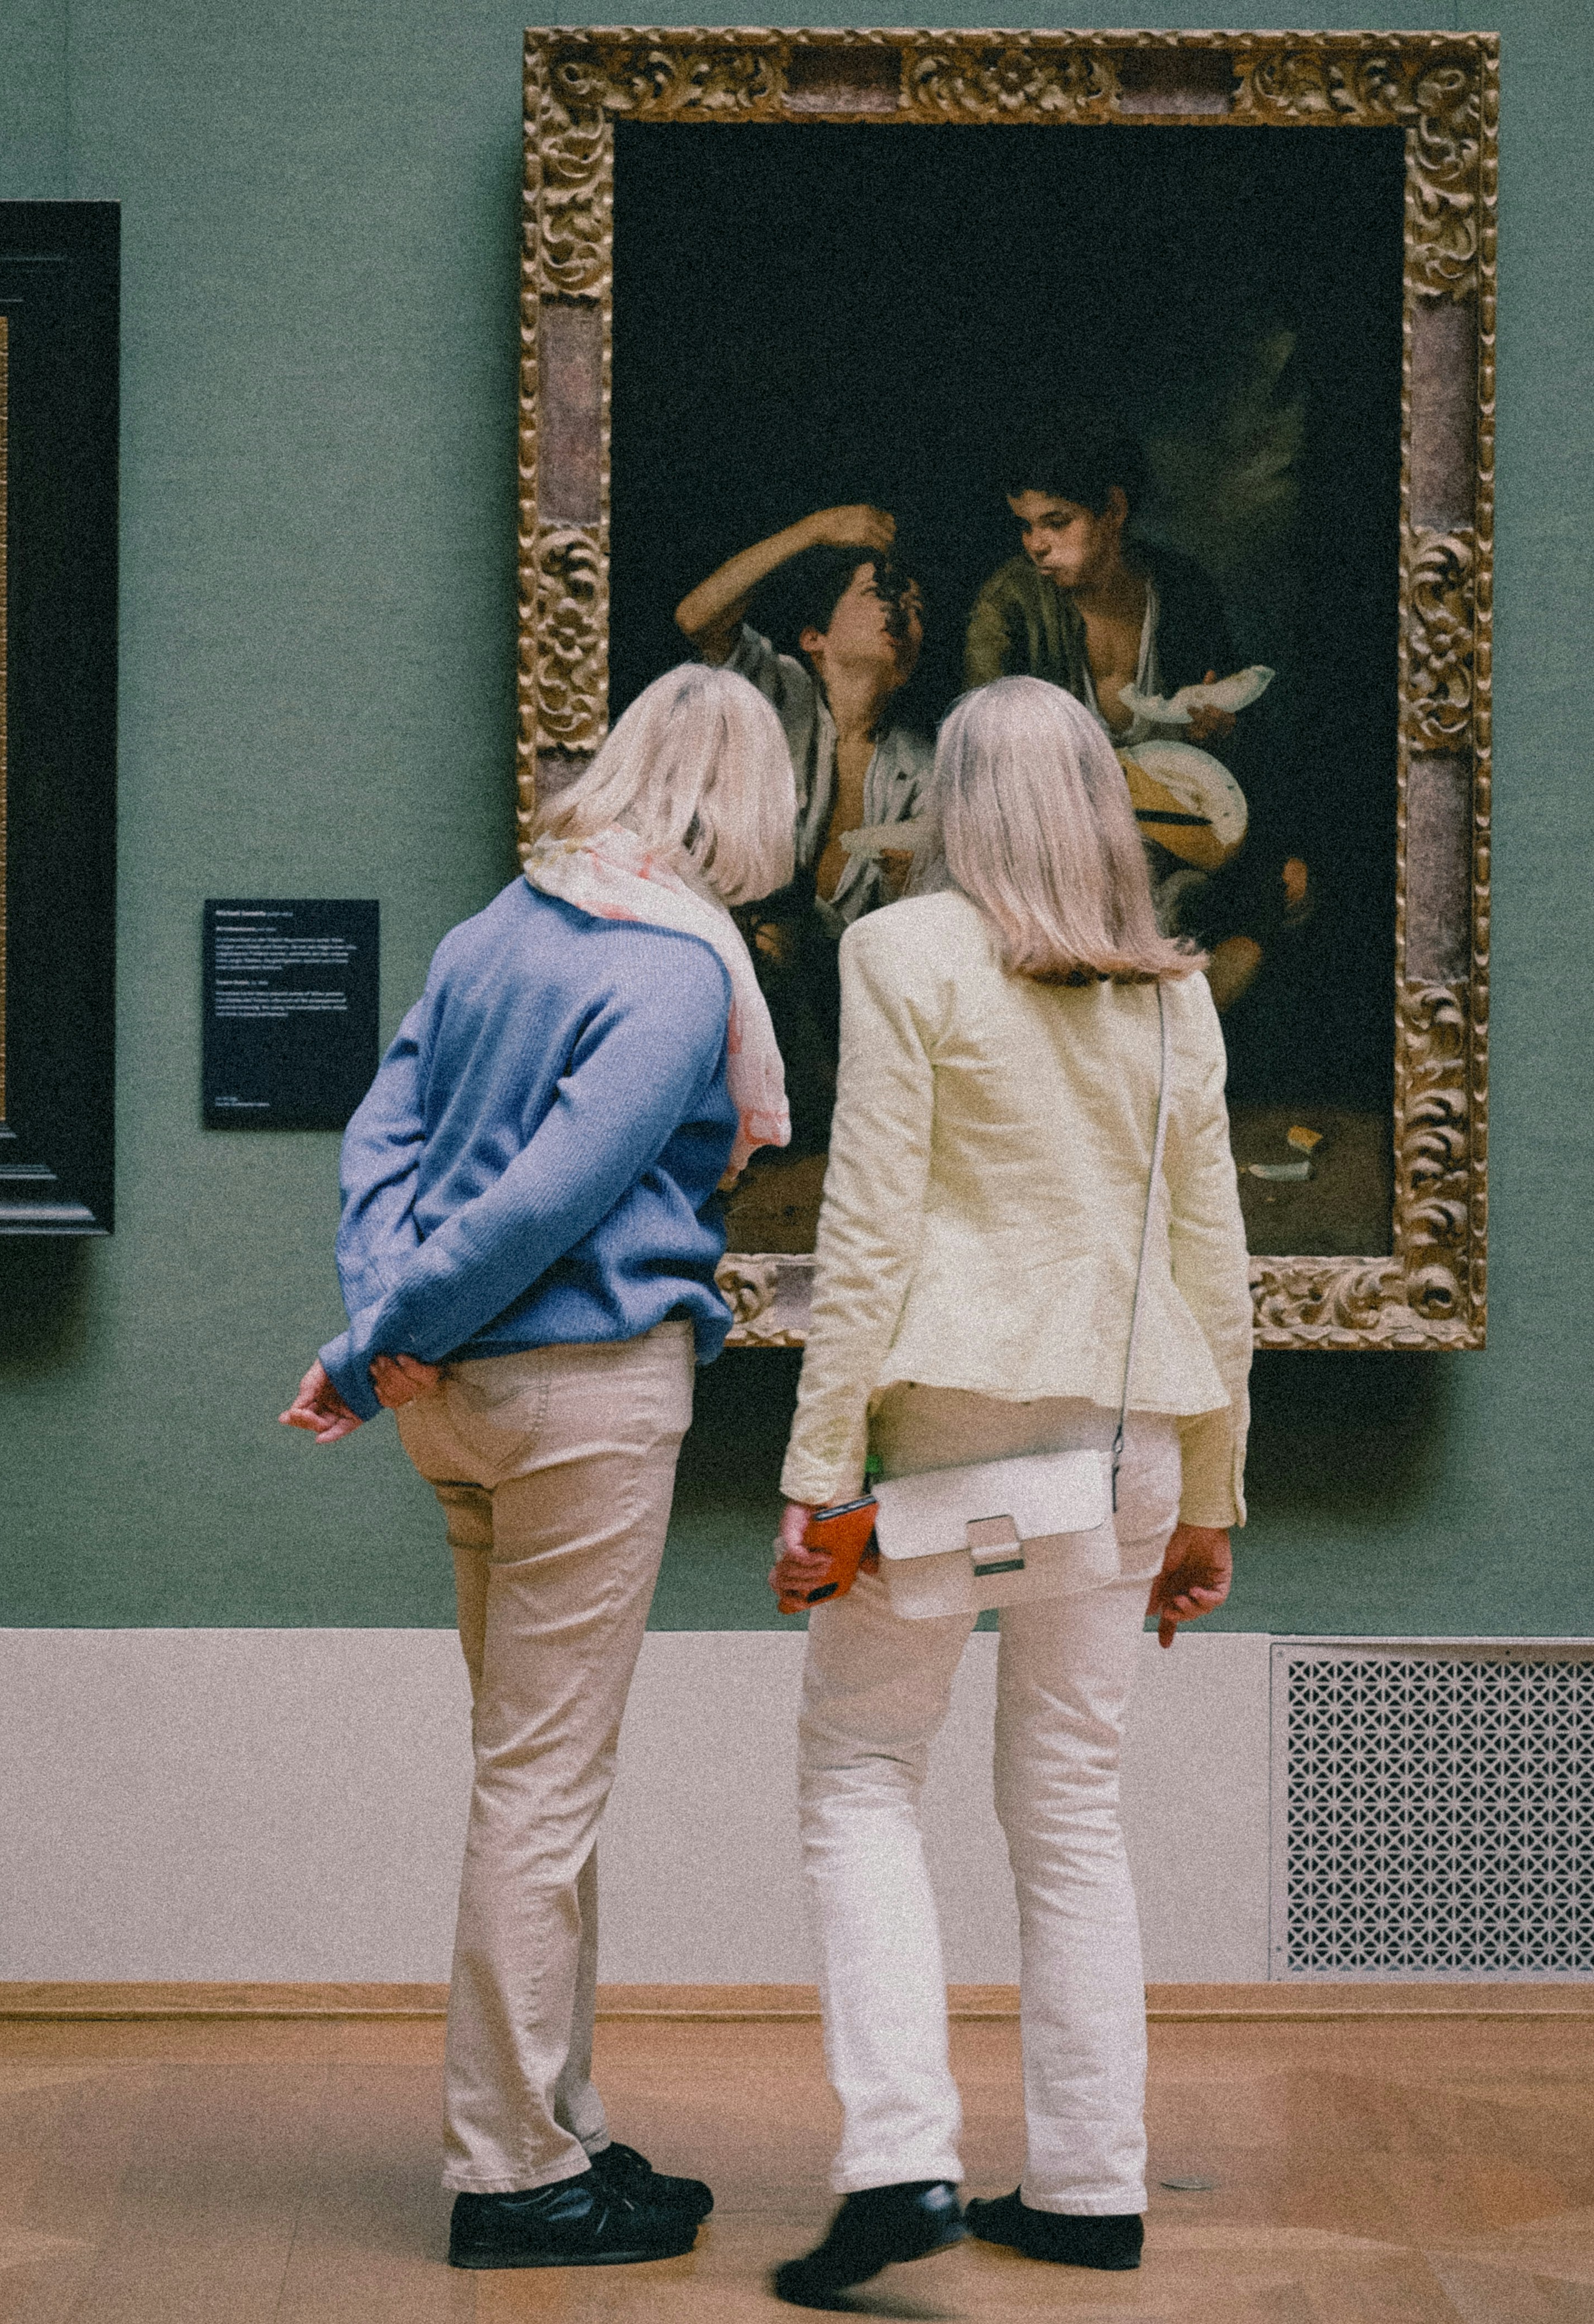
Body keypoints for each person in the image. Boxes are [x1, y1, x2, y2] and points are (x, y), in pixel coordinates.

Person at [279, 663, 797, 2273]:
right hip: (578, 1394)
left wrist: (389, 1321)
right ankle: (514, 2171)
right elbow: (550, 1202)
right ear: (745, 796)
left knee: (531, 1771)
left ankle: (557, 2123)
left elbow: (387, 1137)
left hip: (461, 1396)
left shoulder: (501, 924)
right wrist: (382, 1342)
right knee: (542, 1783)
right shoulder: (669, 969)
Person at [767, 676, 1252, 2308]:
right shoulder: (1175, 996)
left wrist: (814, 1475)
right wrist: (1213, 1495)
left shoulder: (902, 954)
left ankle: (901, 2155)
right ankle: (1090, 2185)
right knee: (1068, 1815)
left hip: (954, 1444)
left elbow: (867, 1239)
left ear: (959, 803)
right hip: (1122, 1448)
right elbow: (1215, 1266)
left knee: (856, 1781)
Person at [964, 405, 1301, 1011]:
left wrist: (1218, 733)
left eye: (1057, 523)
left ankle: (1189, 1024)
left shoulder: (1183, 591)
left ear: (1113, 510)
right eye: (1025, 526)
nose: (1037, 546)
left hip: (1176, 832)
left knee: (1282, 884)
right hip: (1057, 846)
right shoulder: (1008, 605)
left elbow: (1236, 759)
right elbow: (979, 754)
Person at [676, 507, 935, 1153]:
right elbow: (697, 617)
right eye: (879, 595)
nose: (900, 614)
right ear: (815, 637)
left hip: (842, 1034)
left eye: (917, 608)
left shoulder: (924, 767)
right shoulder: (776, 695)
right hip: (721, 993)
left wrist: (914, 888)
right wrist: (815, 532)